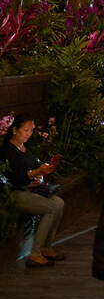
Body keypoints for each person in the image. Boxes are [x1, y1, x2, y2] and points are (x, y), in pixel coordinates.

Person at [1, 115, 65, 268]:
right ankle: (34, 253)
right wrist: (35, 173)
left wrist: (42, 172)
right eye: (25, 130)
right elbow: (13, 178)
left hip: (32, 190)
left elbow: (34, 168)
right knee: (52, 208)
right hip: (15, 193)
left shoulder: (24, 148)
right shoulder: (8, 151)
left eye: (31, 130)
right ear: (15, 130)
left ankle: (46, 246)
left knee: (59, 203)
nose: (29, 134)